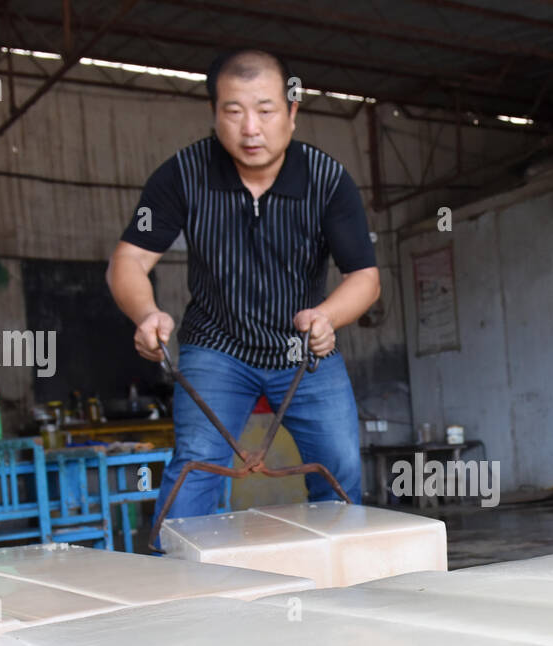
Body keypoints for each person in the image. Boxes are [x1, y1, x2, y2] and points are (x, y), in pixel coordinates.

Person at [107, 47, 380, 521]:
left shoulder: (328, 180)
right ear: (215, 114)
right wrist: (146, 314)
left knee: (339, 467)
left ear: (292, 112)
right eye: (233, 112)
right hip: (216, 347)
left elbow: (365, 277)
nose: (250, 128)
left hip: (304, 351)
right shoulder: (182, 175)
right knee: (195, 467)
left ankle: (344, 586)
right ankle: (182, 587)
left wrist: (327, 317)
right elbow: (128, 259)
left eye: (265, 110)